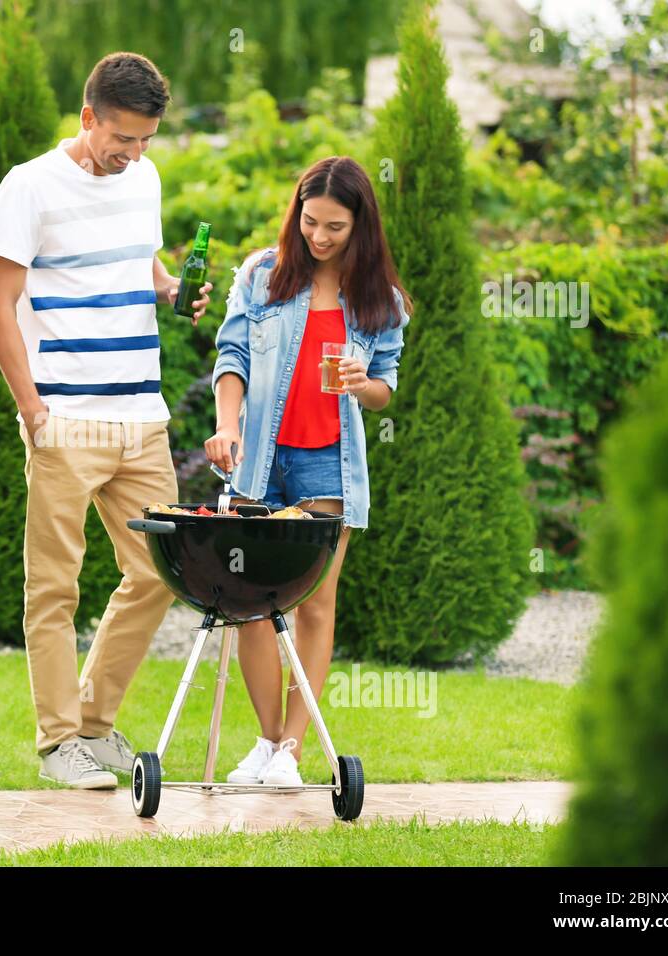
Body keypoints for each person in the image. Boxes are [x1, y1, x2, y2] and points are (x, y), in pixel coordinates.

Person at [0, 52, 212, 788]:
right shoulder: (29, 186)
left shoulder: (143, 178)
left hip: (140, 413)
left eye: (146, 140)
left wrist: (174, 289)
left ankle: (93, 720)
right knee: (54, 586)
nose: (134, 154)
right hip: (65, 417)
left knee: (158, 570)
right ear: (88, 118)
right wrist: (33, 410)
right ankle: (58, 744)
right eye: (123, 139)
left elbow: (140, 263)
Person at [205, 155, 411, 788]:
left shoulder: (381, 300)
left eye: (335, 228)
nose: (318, 237)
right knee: (250, 605)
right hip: (259, 457)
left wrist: (363, 383)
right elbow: (232, 354)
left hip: (328, 462)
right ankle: (268, 744)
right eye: (310, 220)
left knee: (316, 605)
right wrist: (227, 424)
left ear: (361, 227)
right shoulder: (262, 274)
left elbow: (386, 388)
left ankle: (291, 751)